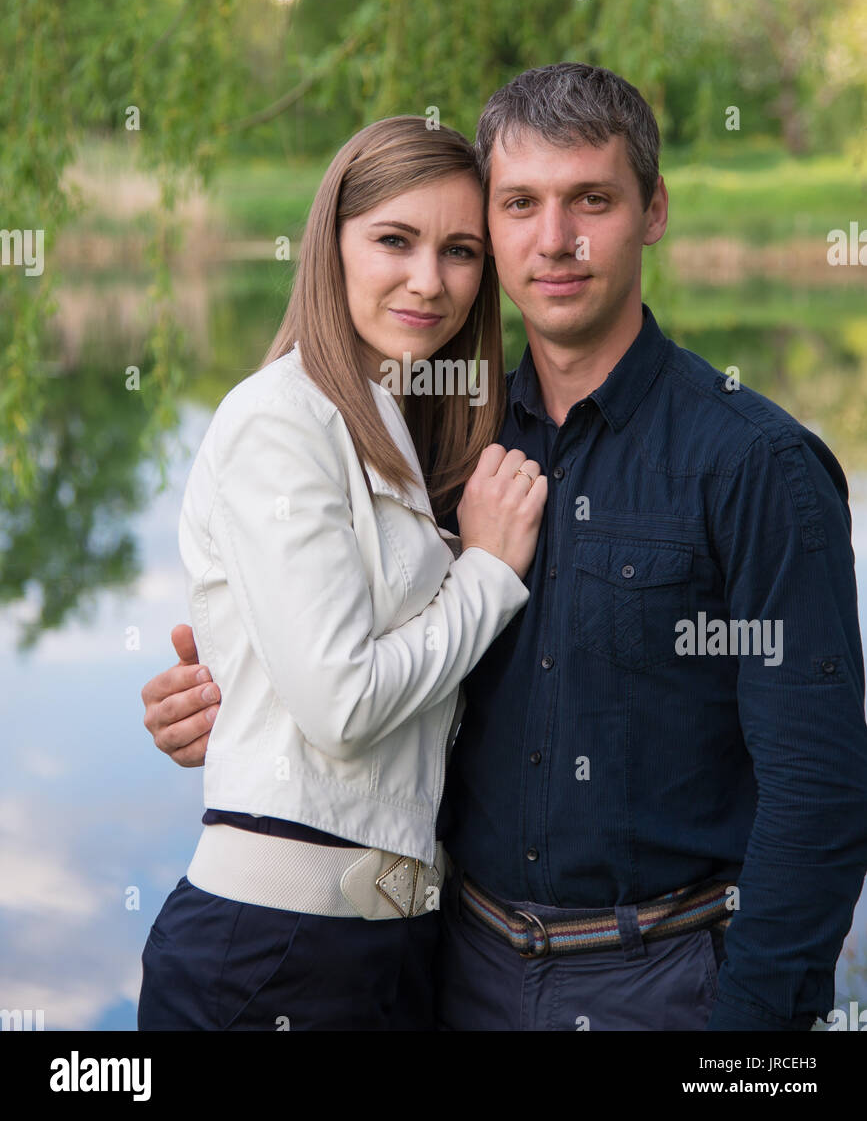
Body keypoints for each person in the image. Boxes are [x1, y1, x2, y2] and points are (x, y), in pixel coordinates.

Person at [143, 64, 867, 1032]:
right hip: (445, 971)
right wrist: (238, 696)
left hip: (664, 986)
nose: (554, 239)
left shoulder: (756, 465)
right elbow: (362, 672)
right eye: (520, 204)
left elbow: (819, 791)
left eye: (592, 201)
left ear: (653, 210)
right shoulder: (447, 445)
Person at [137, 114, 546, 1031]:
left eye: (461, 251)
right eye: (393, 240)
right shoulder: (282, 421)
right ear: (331, 244)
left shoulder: (408, 428)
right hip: (271, 956)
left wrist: (230, 698)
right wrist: (484, 571)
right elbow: (343, 704)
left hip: (390, 952)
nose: (428, 281)